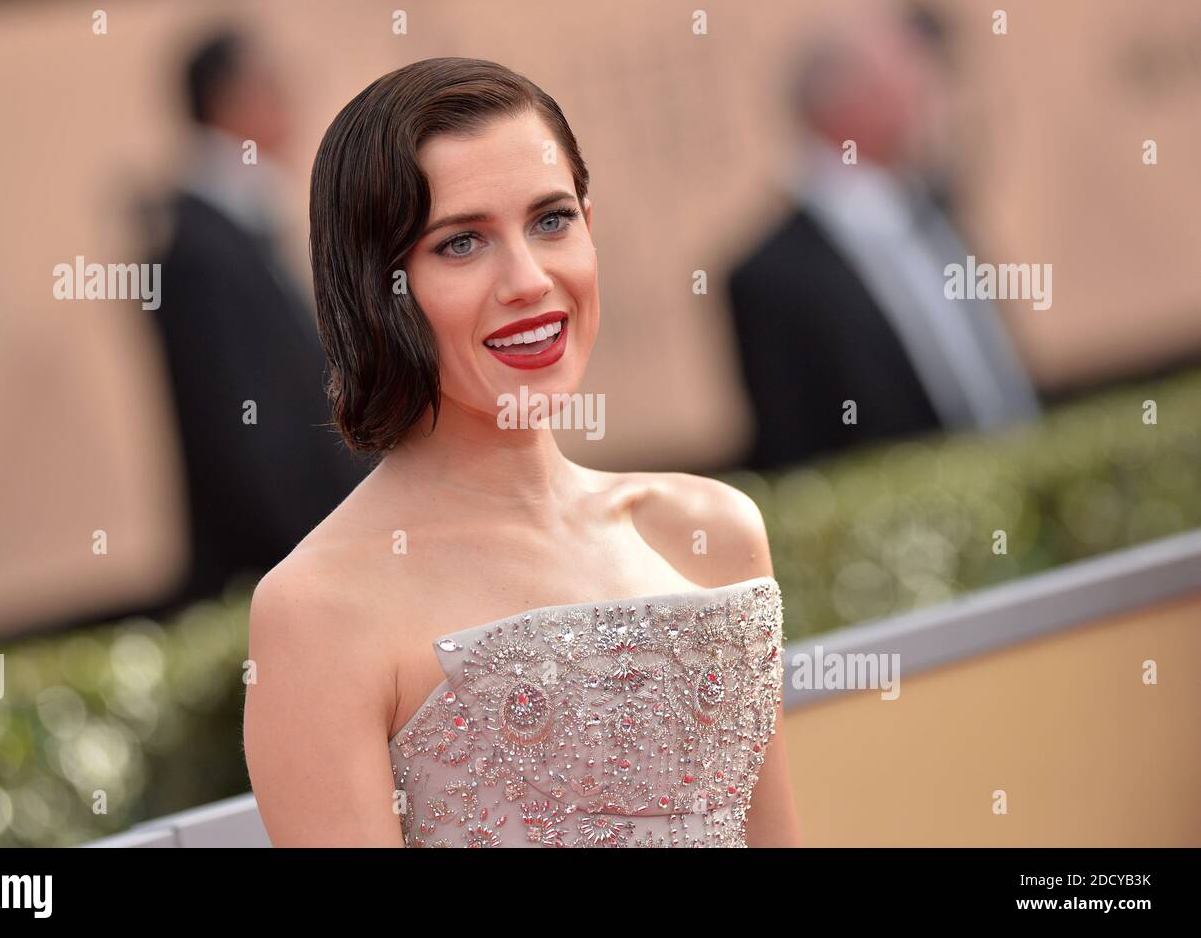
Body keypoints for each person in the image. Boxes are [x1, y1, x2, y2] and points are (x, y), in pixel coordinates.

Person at [243, 57, 801, 848]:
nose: (529, 280)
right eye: (462, 243)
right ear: (377, 288)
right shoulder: (317, 610)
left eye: (551, 220)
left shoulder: (711, 531)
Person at [727, 0, 1042, 471]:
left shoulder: (934, 212)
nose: (928, 98)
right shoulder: (771, 277)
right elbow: (802, 464)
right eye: (906, 79)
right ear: (846, 102)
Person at [150, 29, 366, 605]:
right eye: (271, 87)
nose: (288, 105)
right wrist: (315, 559)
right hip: (278, 571)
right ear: (228, 103)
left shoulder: (235, 228)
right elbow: (244, 434)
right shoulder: (199, 247)